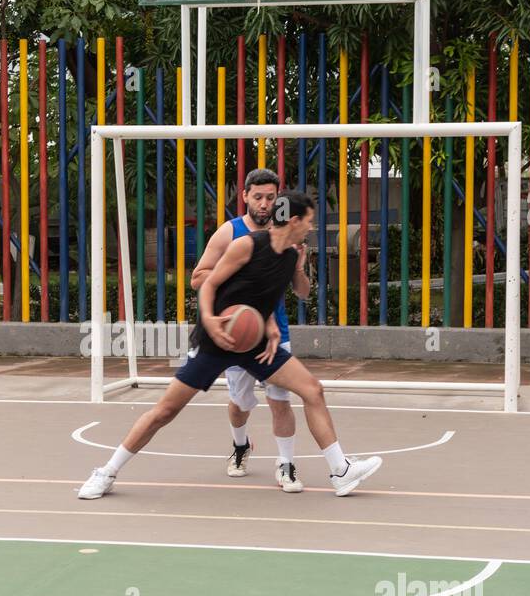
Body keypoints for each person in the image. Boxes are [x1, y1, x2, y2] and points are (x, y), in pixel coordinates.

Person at [78, 189, 382, 500]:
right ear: (293, 220)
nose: (311, 227)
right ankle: (106, 472)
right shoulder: (247, 245)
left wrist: (270, 324)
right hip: (217, 339)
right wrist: (208, 318)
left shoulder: (290, 255)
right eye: (309, 221)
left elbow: (261, 295)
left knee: (312, 390)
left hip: (255, 344)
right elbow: (209, 283)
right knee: (165, 411)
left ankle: (341, 471)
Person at [191, 168, 301, 490]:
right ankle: (241, 446)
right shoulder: (230, 233)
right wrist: (239, 280)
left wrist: (297, 268)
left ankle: (287, 464)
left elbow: (298, 286)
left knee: (281, 399)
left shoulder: (285, 234)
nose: (265, 204)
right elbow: (198, 277)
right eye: (258, 197)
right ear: (245, 196)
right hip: (239, 331)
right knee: (240, 404)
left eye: (270, 197)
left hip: (275, 331)